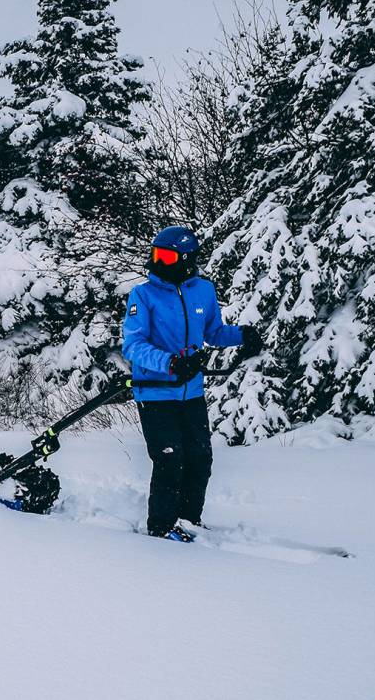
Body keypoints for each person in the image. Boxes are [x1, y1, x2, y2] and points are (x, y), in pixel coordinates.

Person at [121, 226, 260, 542]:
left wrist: (242, 336)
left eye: (166, 256)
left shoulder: (203, 291)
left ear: (186, 259)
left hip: (191, 392)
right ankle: (161, 526)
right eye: (156, 254)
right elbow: (133, 344)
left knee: (200, 458)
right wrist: (169, 362)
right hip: (155, 393)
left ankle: (189, 520)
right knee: (170, 459)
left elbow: (213, 332)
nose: (158, 261)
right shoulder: (143, 294)